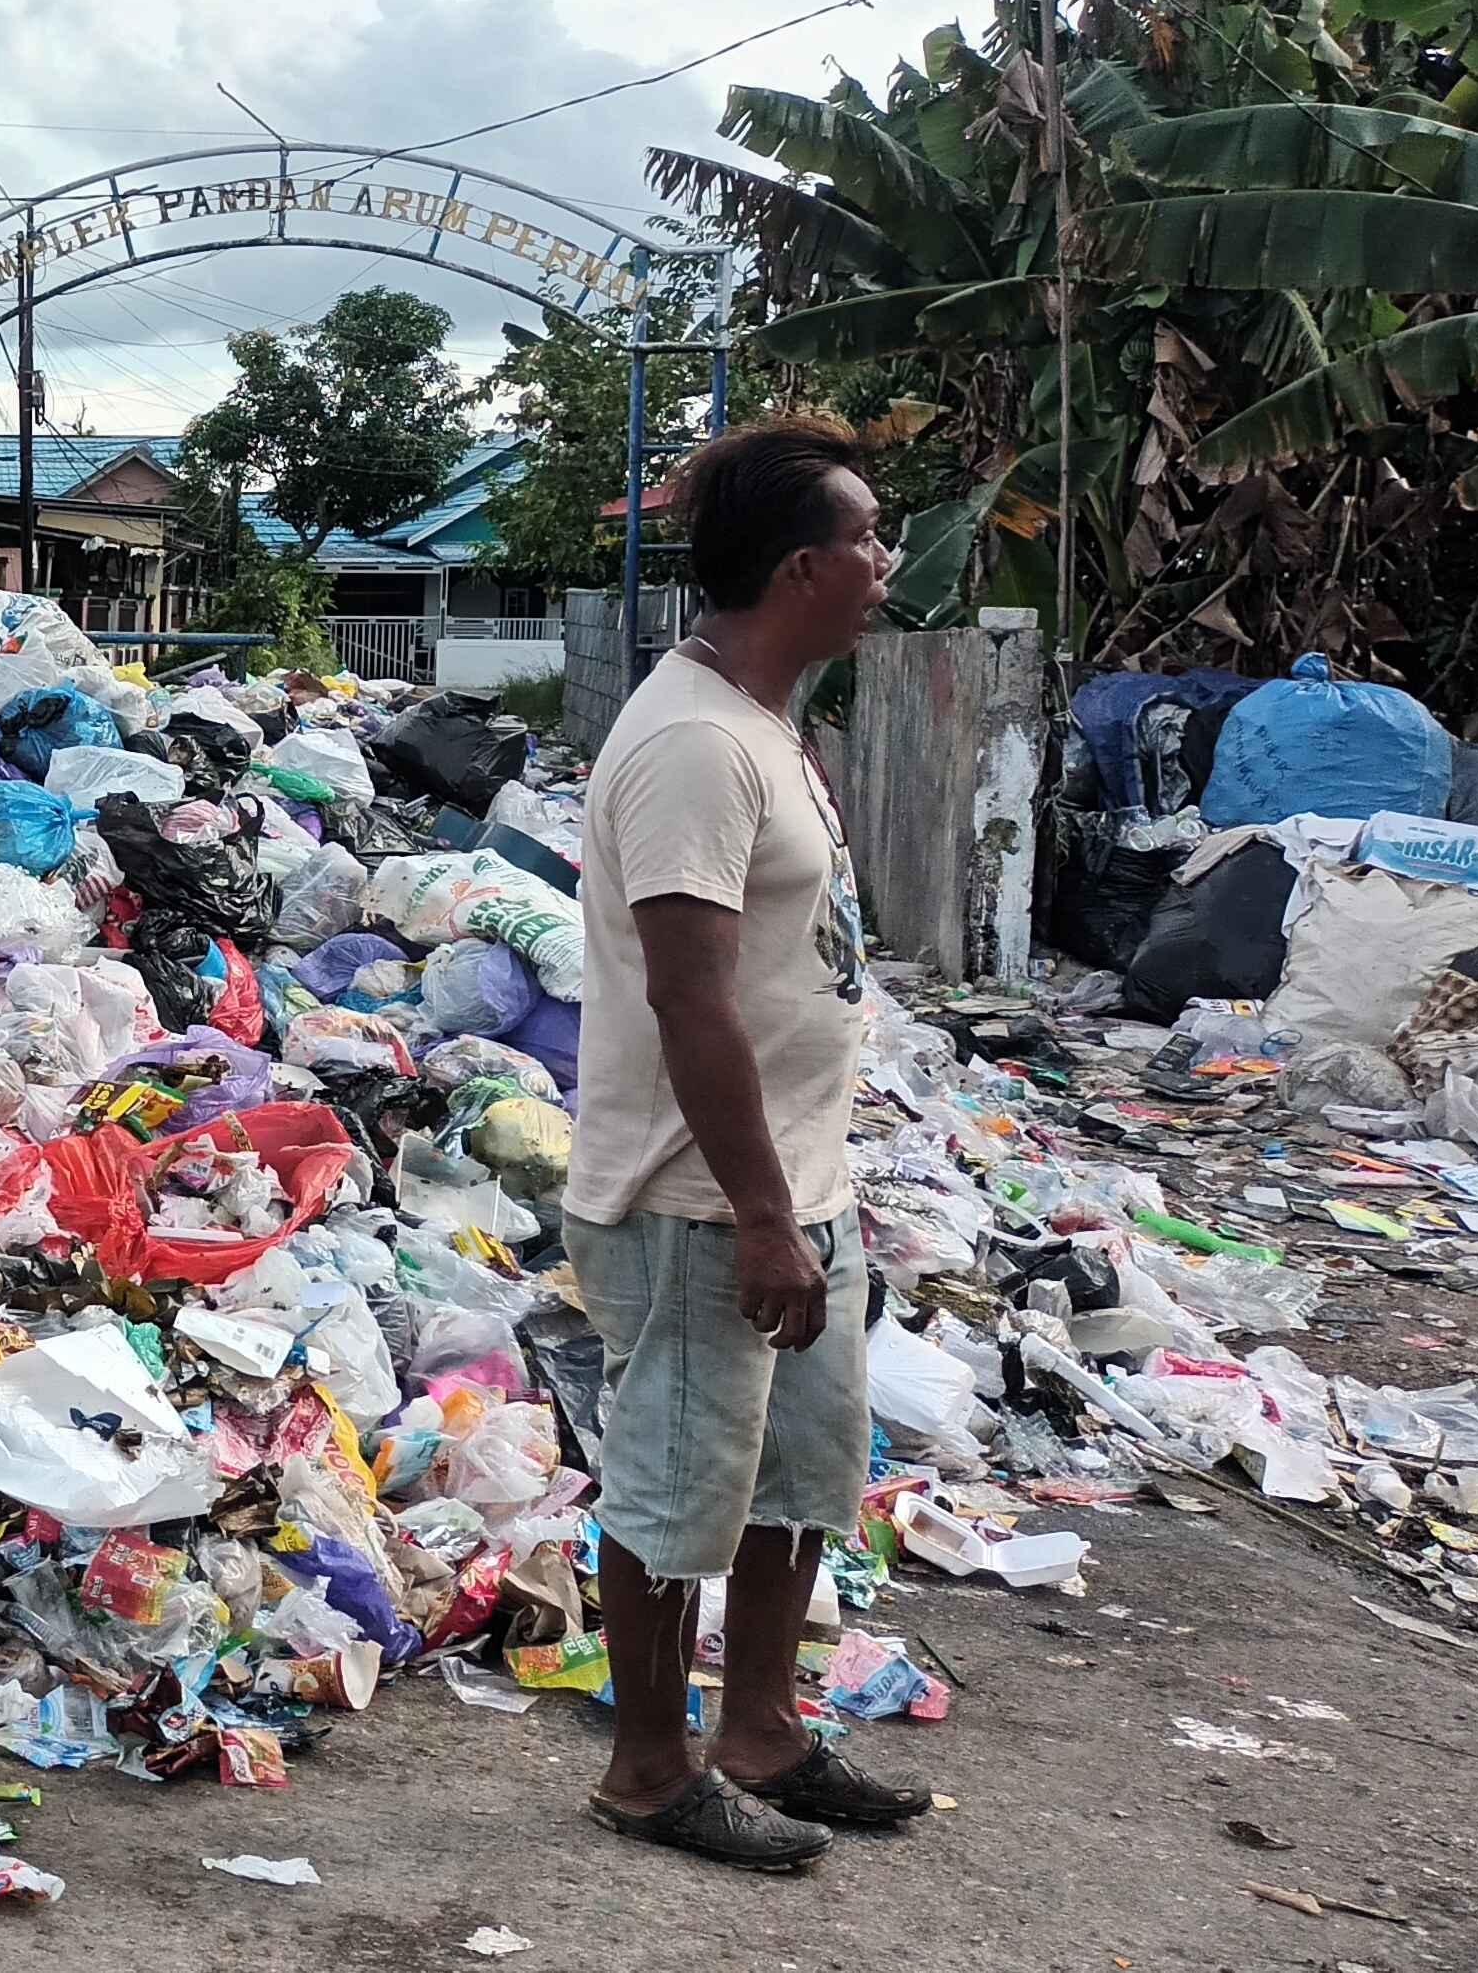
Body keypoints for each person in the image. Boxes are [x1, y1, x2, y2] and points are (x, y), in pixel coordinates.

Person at [565, 416, 931, 1870]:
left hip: (793, 1186)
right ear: (799, 569)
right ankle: (650, 1769)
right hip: (698, 1202)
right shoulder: (693, 746)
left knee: (796, 1481)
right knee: (672, 1487)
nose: (884, 563)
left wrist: (811, 1199)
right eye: (866, 538)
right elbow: (689, 994)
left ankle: (763, 1727)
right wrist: (765, 1214)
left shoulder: (764, 723)